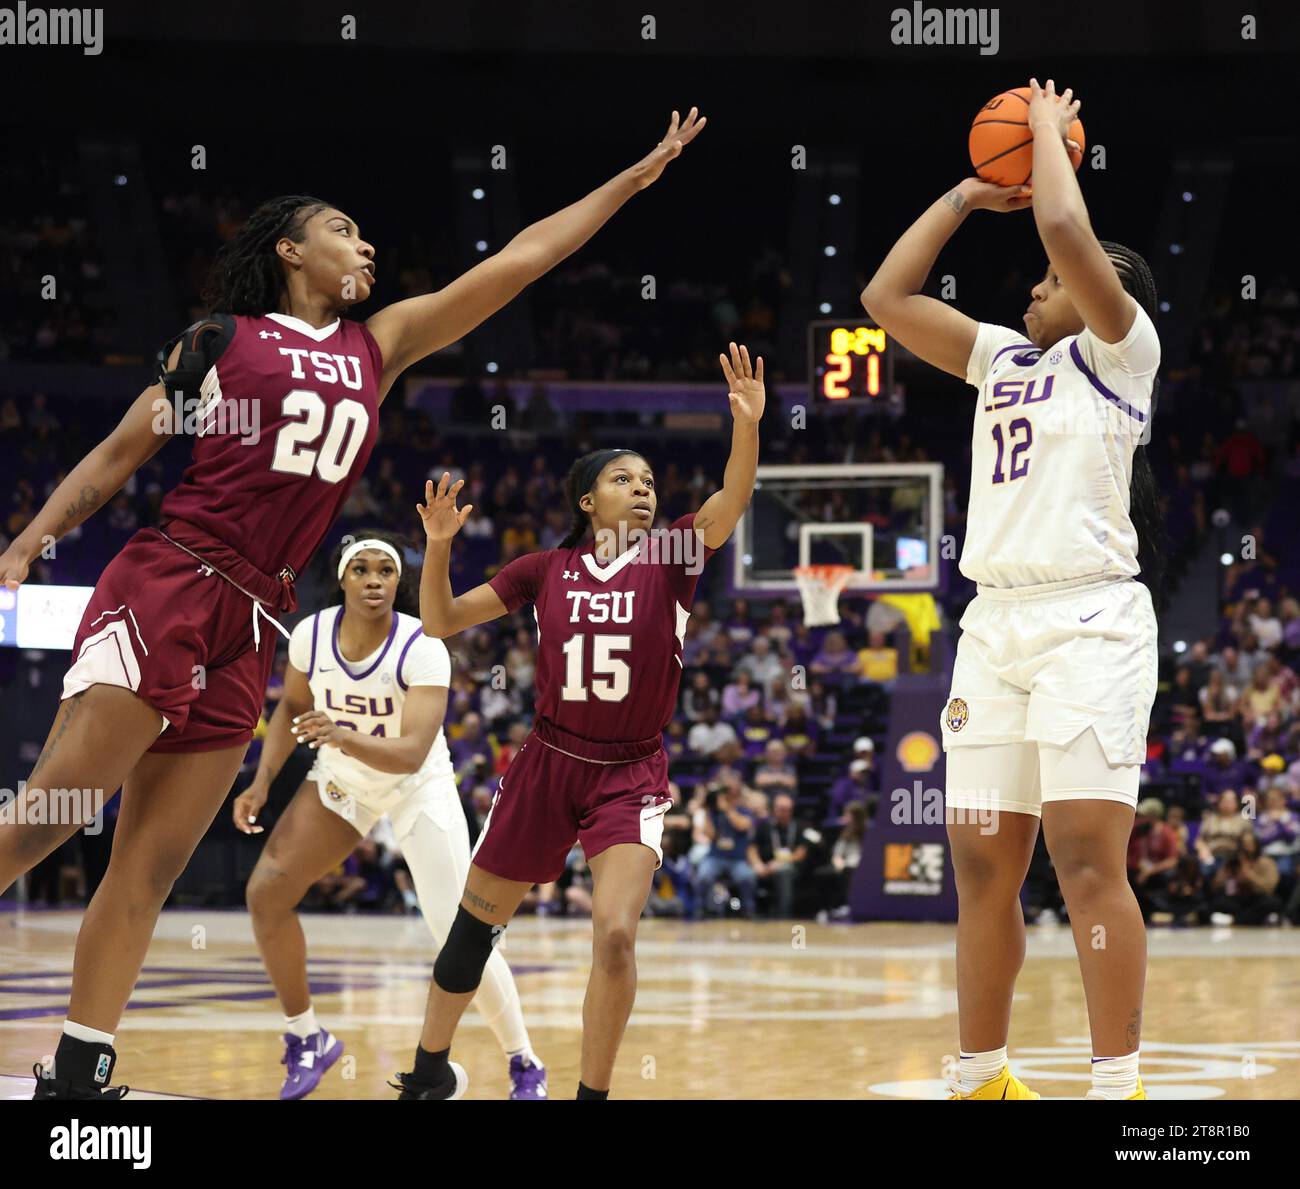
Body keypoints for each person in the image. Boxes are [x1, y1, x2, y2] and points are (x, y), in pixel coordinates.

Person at [0, 107, 706, 1100]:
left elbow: (520, 259)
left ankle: (77, 1074)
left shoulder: (382, 345)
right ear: (290, 249)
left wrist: (635, 177)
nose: (364, 243)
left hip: (254, 621)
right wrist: (31, 540)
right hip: (170, 582)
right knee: (47, 821)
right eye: (343, 230)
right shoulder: (220, 339)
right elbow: (125, 450)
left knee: (150, 867)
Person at [863, 78, 1162, 1100]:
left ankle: (1115, 1086)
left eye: (1050, 278)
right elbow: (886, 302)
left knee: (1084, 862)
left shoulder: (1122, 354)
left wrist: (1044, 122)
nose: (1033, 285)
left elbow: (1067, 221)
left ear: (1099, 292)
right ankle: (980, 1077)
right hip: (993, 624)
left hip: (1089, 620)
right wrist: (960, 195)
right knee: (984, 865)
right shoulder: (999, 357)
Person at [393, 341, 762, 1100]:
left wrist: (747, 426)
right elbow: (437, 621)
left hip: (630, 772)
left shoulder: (673, 554)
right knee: (473, 930)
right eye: (623, 479)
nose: (643, 489)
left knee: (617, 931)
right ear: (588, 501)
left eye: (650, 480)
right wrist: (436, 549)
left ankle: (590, 1095)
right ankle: (430, 1066)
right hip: (547, 762)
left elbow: (731, 497)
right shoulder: (543, 569)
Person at [231, 530, 546, 1099]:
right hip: (344, 784)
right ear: (343, 577)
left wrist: (340, 735)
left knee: (459, 935)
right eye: (362, 570)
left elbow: (412, 752)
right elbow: (292, 710)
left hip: (416, 788)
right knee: (266, 892)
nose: (374, 581)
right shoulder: (310, 635)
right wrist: (261, 781)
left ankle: (524, 1063)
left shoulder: (423, 645)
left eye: (386, 572)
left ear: (399, 583)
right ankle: (307, 1037)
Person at [753, 792, 809, 918]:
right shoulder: (764, 826)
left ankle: (783, 915)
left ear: (791, 811)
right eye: (779, 809)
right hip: (764, 865)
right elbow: (752, 848)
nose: (782, 813)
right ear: (774, 809)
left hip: (789, 866)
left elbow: (801, 853)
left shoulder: (799, 827)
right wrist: (757, 864)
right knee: (745, 874)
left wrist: (781, 863)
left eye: (785, 810)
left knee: (783, 872)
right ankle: (751, 912)